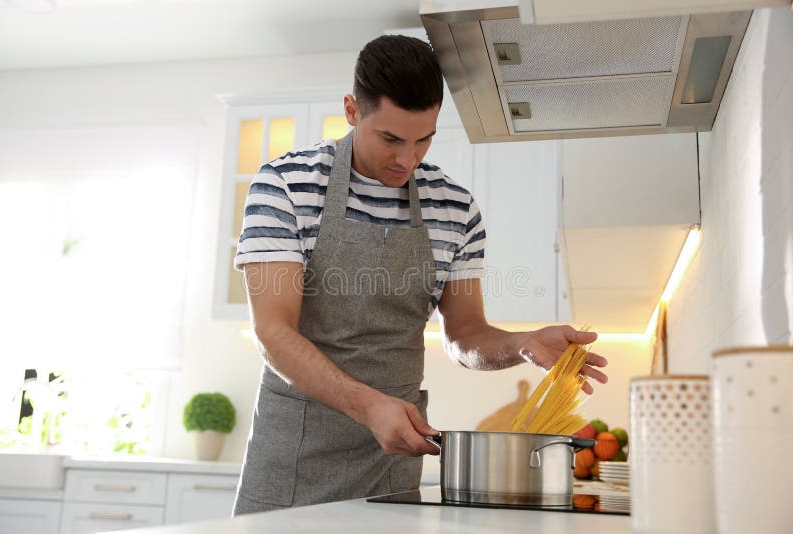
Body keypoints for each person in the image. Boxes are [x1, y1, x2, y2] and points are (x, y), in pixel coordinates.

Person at [231, 34, 608, 515]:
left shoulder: (455, 208)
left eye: (423, 139)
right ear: (351, 110)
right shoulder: (285, 186)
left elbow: (465, 336)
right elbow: (273, 331)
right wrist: (370, 406)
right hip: (292, 459)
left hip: (392, 460)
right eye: (390, 139)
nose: (407, 160)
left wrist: (521, 343)